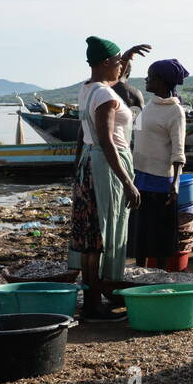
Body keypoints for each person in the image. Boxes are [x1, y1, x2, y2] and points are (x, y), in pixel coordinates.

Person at [67, 36, 144, 321]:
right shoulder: (105, 96)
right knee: (100, 236)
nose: (120, 67)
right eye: (117, 63)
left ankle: (92, 300)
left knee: (91, 238)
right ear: (103, 64)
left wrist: (126, 57)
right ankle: (93, 304)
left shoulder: (88, 89)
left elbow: (113, 77)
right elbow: (107, 141)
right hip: (106, 166)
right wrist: (127, 182)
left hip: (91, 162)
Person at [128, 58, 190, 267]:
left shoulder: (175, 111)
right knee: (141, 231)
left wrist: (176, 182)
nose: (146, 79)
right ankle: (139, 272)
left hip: (160, 181)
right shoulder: (150, 105)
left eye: (151, 77)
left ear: (162, 81)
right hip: (140, 177)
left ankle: (160, 276)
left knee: (159, 234)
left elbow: (178, 151)